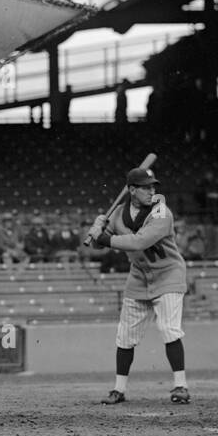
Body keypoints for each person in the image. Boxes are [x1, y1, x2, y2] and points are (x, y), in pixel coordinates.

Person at [88, 166, 190, 404]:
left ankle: (181, 386)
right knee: (124, 336)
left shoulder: (161, 212)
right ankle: (118, 390)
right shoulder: (117, 214)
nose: (151, 190)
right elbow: (96, 247)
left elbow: (139, 242)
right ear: (132, 190)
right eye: (145, 187)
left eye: (153, 186)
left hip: (168, 274)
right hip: (139, 276)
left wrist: (104, 238)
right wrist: (96, 229)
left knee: (168, 329)